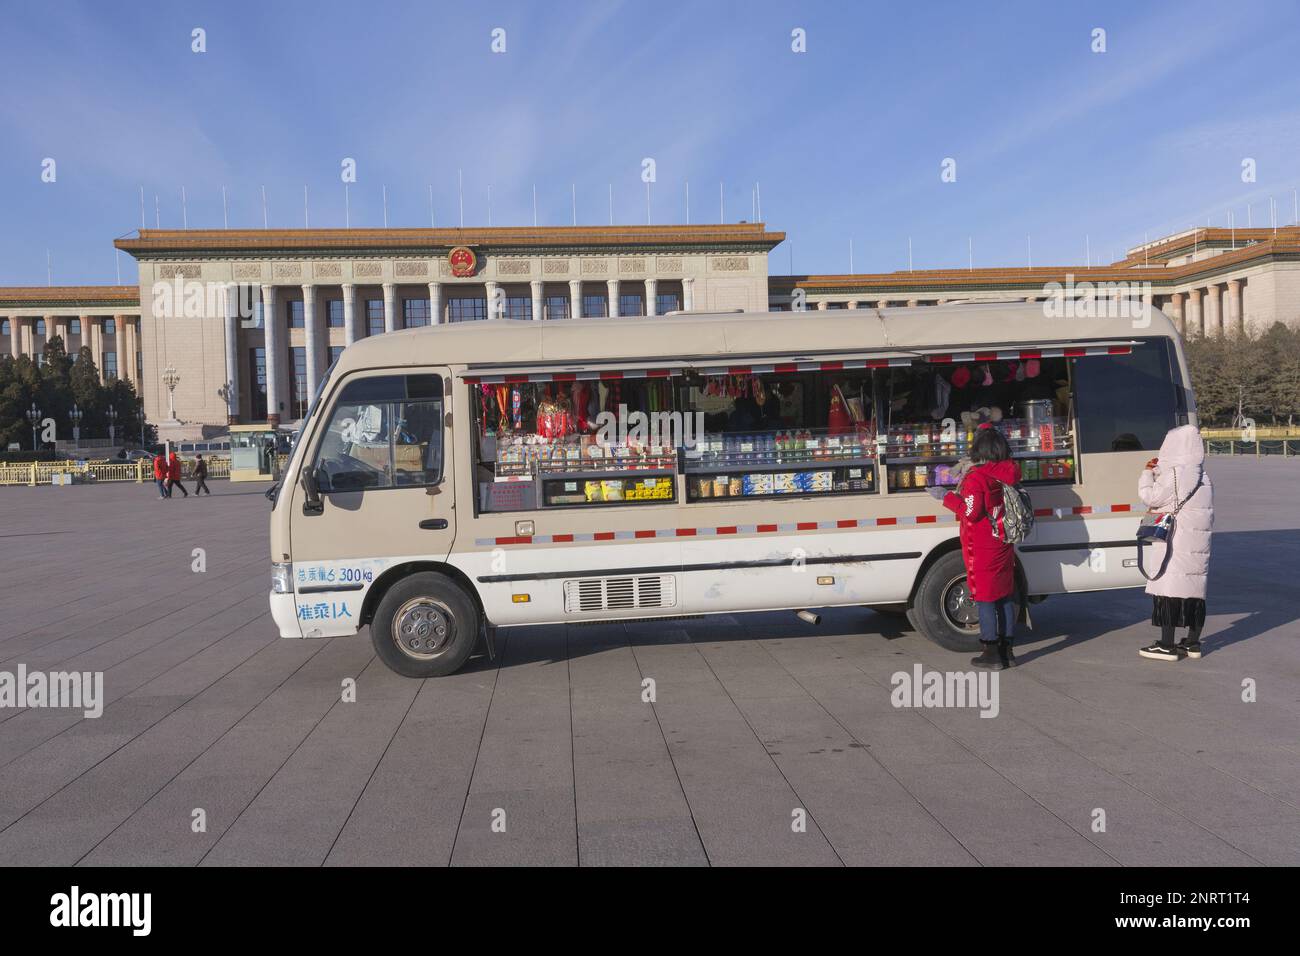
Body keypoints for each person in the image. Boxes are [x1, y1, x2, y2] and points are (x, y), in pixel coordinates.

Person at [933, 423, 1021, 669]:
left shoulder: (977, 478)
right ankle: (1008, 651)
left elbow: (971, 513)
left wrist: (946, 497)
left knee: (984, 599)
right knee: (1004, 596)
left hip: (982, 545)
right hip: (1003, 540)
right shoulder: (1009, 471)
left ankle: (991, 653)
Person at [1138, 425, 1213, 661]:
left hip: (1176, 540)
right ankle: (1192, 643)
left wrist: (1147, 474)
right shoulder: (1202, 475)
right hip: (1197, 541)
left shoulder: (1174, 473)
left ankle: (1166, 645)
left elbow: (1151, 497)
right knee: (1193, 588)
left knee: (1168, 588)